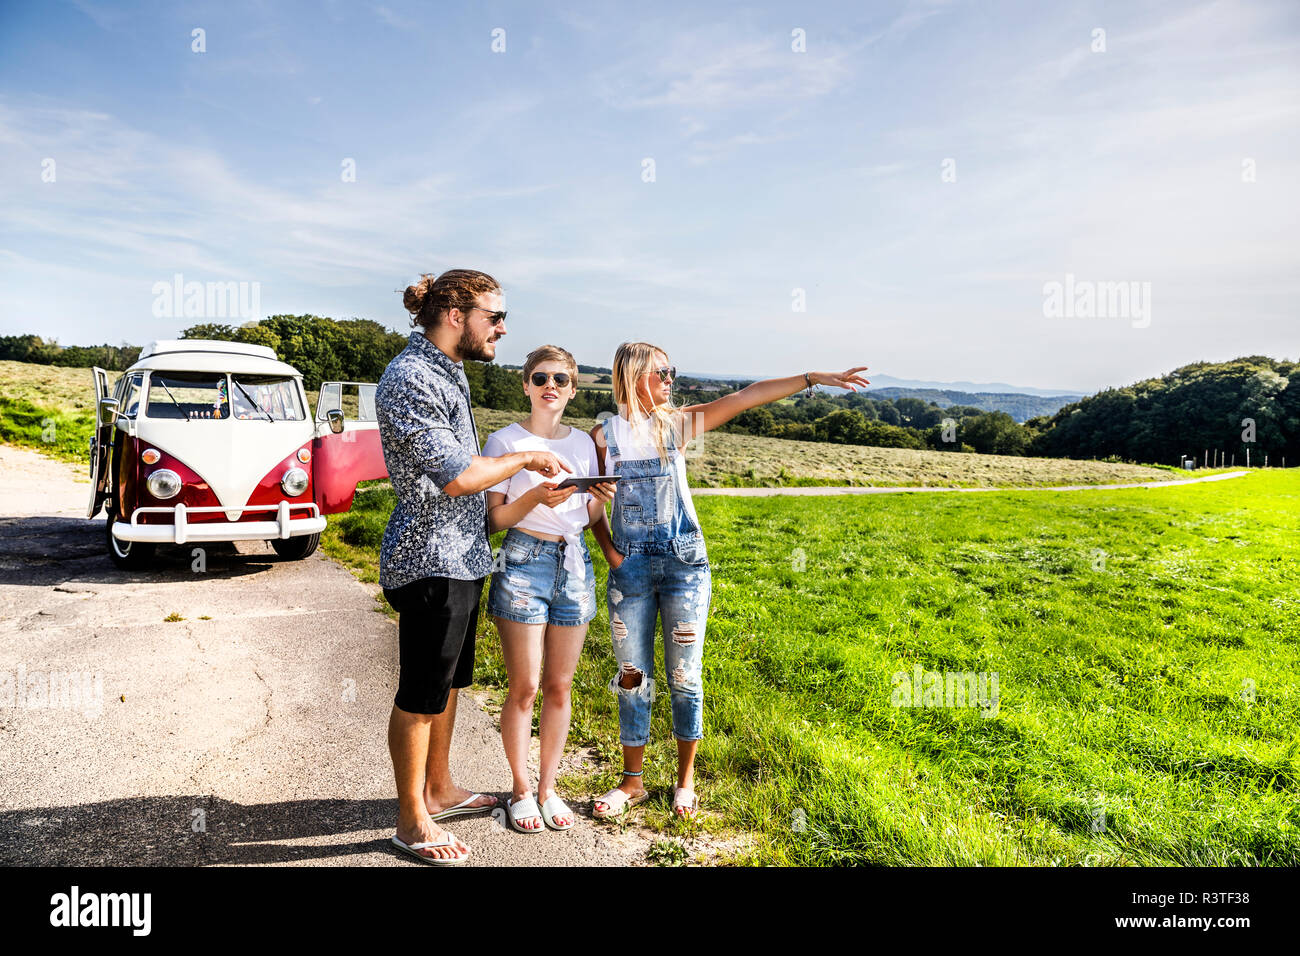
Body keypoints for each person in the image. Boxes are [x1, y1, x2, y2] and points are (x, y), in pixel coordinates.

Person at [590, 342, 868, 820]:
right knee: (632, 678)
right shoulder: (602, 435)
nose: (670, 379)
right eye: (663, 372)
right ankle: (631, 783)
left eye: (671, 371)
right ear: (635, 376)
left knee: (684, 677)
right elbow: (592, 499)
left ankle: (684, 783)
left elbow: (746, 397)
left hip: (684, 571)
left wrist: (812, 378)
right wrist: (611, 553)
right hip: (629, 572)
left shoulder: (673, 427)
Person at [376, 269, 571, 865]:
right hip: (429, 557)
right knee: (421, 691)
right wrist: (528, 457)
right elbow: (457, 475)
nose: (503, 329)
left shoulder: (447, 370)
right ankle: (412, 820)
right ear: (456, 315)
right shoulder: (410, 377)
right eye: (495, 316)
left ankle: (439, 787)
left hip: (462, 555)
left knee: (452, 683)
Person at [481, 345, 617, 833]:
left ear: (573, 389)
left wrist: (601, 498)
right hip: (522, 560)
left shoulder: (584, 444)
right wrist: (536, 494)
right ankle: (520, 790)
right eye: (540, 378)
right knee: (526, 686)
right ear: (525, 385)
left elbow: (589, 513)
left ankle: (548, 788)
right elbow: (493, 520)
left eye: (560, 380)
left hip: (575, 561)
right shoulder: (503, 441)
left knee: (561, 686)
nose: (550, 387)